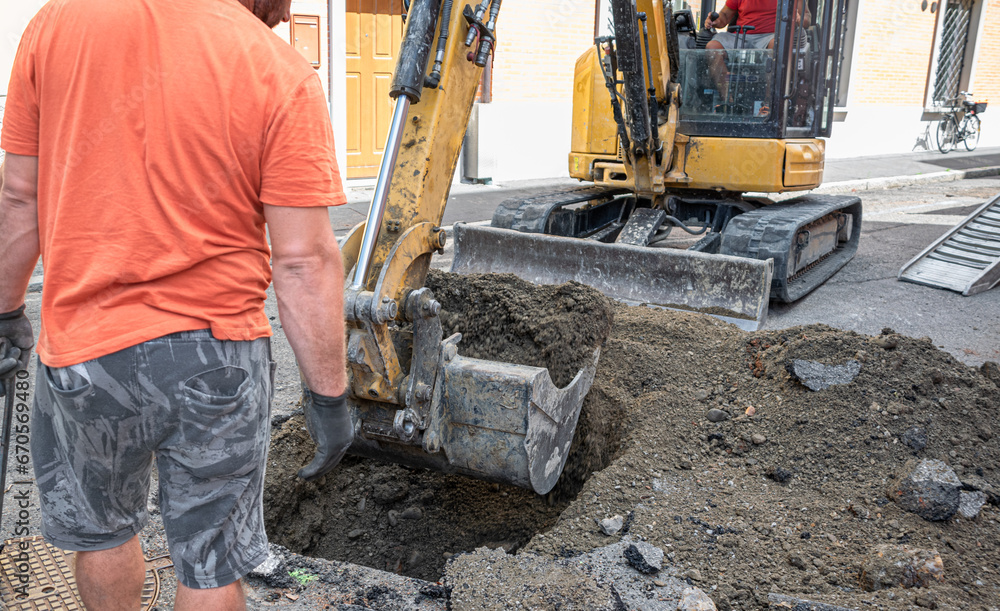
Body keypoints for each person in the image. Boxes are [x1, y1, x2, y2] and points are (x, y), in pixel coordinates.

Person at [0, 0, 354, 609]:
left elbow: (17, 195)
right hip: (217, 355)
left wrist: (6, 310)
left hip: (86, 350)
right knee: (210, 563)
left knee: (105, 533)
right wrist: (329, 396)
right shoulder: (278, 68)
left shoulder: (56, 24)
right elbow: (303, 261)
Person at [702, 0, 810, 112]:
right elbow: (724, 16)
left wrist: (799, 18)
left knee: (777, 46)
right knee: (712, 47)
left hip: (771, 35)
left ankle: (768, 105)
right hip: (741, 35)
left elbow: (806, 18)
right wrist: (714, 21)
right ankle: (728, 103)